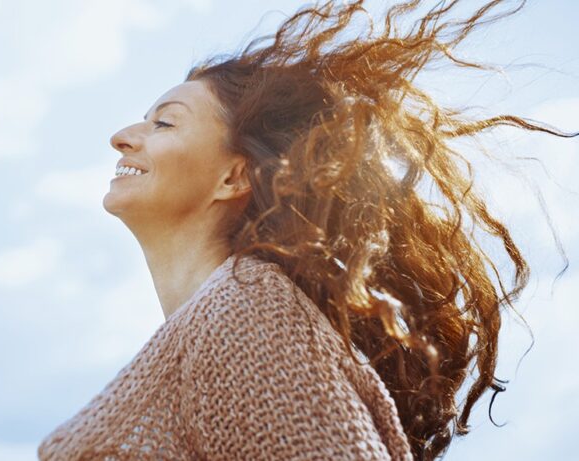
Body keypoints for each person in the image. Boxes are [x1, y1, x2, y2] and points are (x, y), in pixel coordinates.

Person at [38, 1, 577, 460]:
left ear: (234, 176)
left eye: (164, 122)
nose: (121, 137)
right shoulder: (226, 318)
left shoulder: (245, 314)